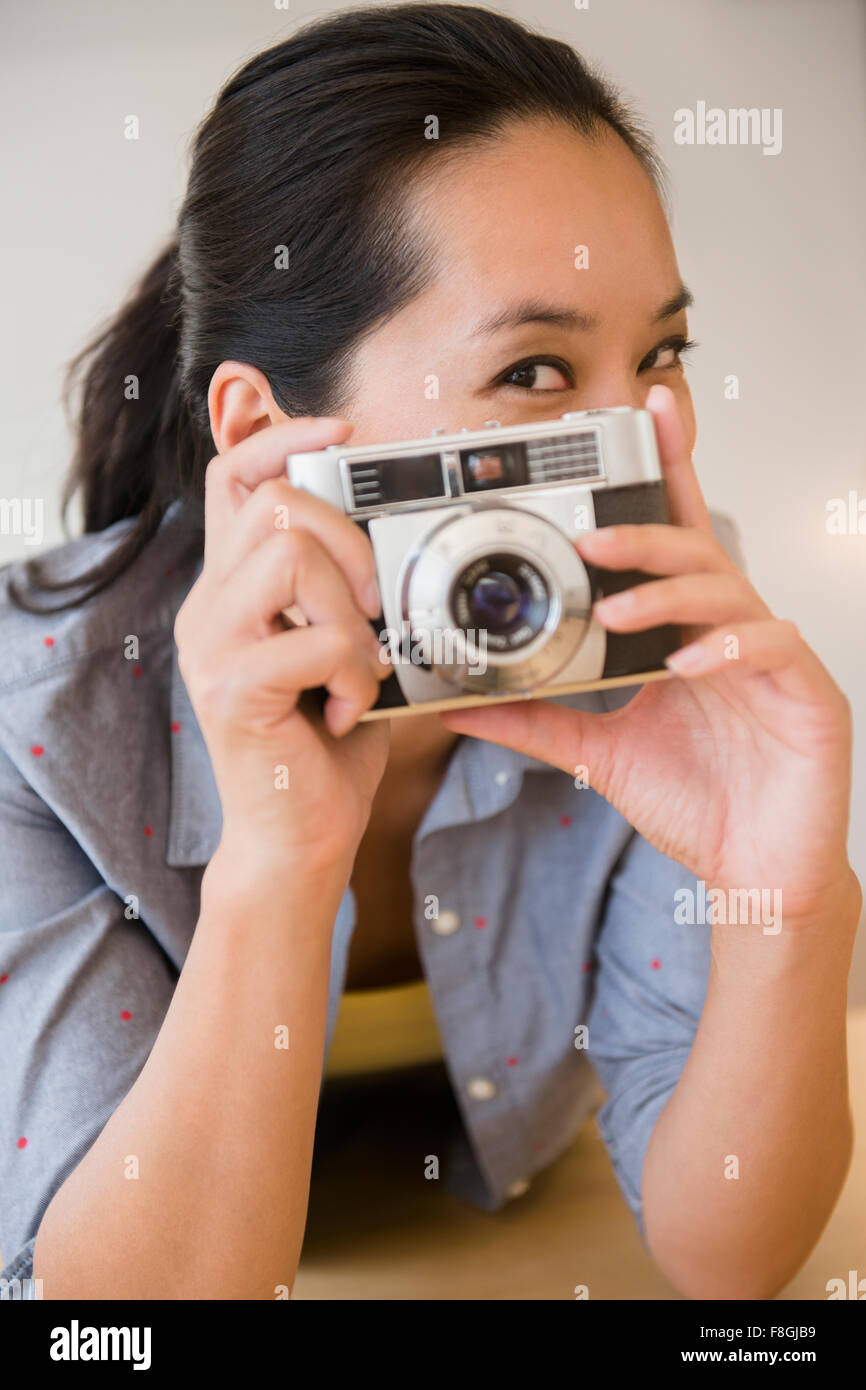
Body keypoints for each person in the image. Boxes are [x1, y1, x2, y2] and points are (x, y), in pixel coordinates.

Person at [0, 3, 859, 1301]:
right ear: (270, 431)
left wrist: (786, 900)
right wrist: (278, 862)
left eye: (657, 356)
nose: (632, 450)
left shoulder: (655, 615)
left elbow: (725, 1258)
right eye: (532, 371)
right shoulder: (36, 708)